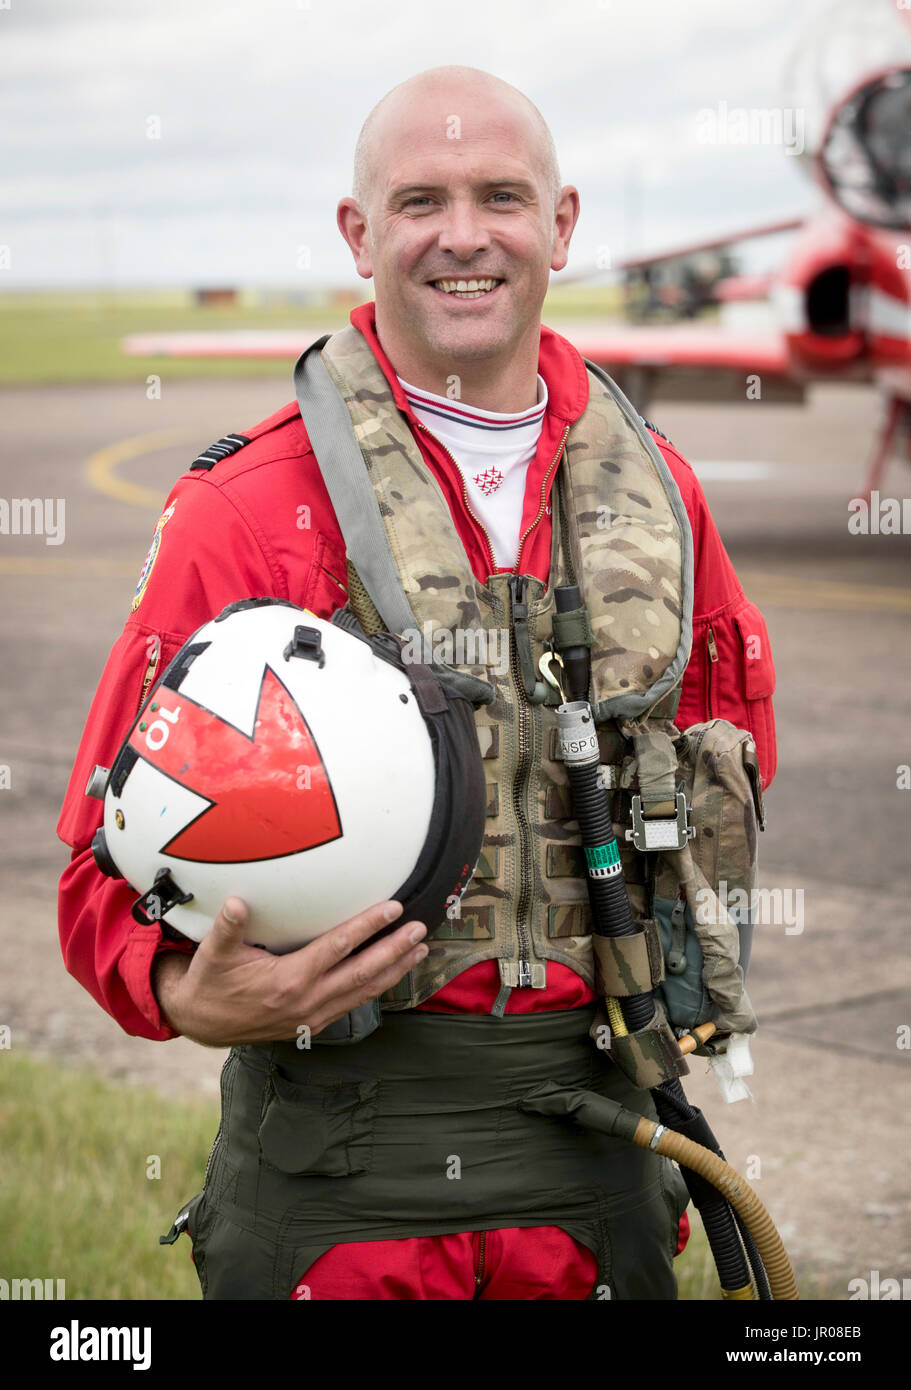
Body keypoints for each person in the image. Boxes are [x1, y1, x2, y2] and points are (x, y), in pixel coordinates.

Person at [57, 65, 777, 1301]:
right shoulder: (241, 509)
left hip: (602, 1153)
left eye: (501, 196)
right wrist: (190, 988)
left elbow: (723, 764)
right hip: (340, 1182)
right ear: (359, 234)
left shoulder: (657, 496)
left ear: (560, 224)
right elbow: (98, 870)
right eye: (417, 201)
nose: (461, 236)